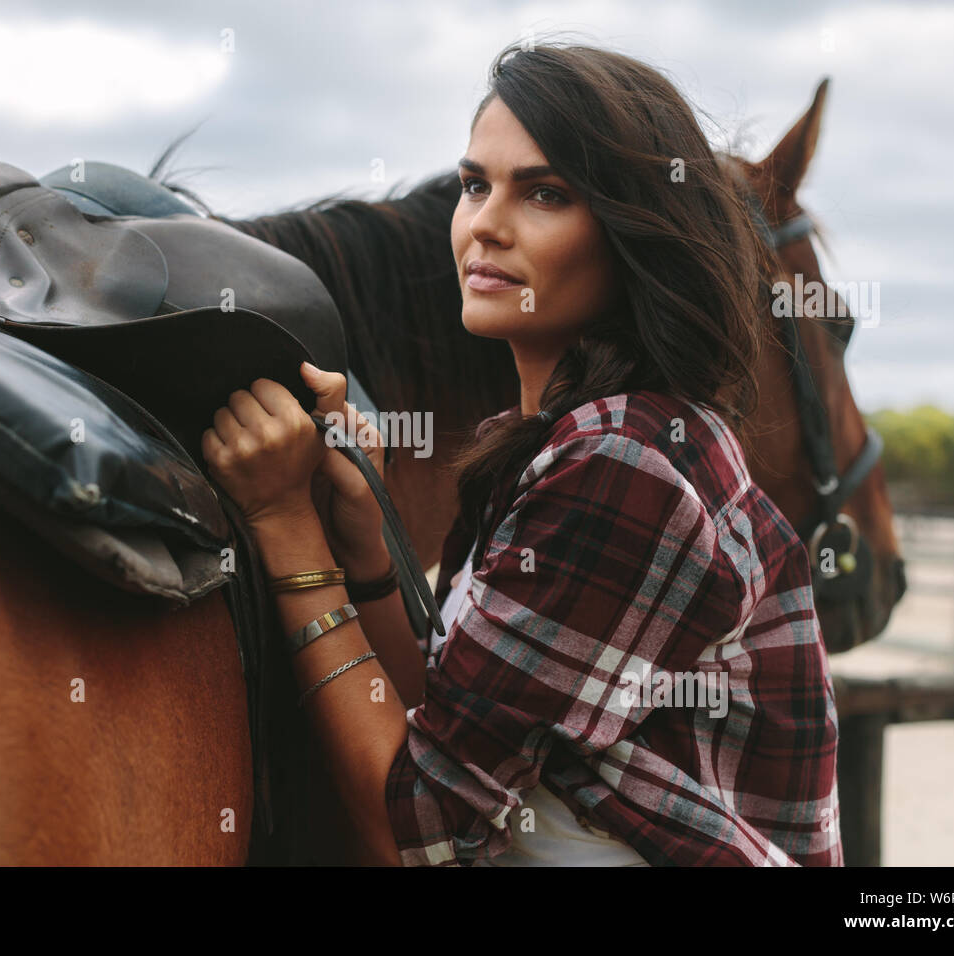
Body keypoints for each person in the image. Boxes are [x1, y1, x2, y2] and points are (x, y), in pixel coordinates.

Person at [200, 39, 843, 867]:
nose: (484, 226)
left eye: (544, 193)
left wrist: (283, 526)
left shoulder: (629, 467)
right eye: (475, 185)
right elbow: (443, 720)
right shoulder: (547, 445)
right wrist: (362, 539)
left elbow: (419, 831)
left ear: (632, 234)